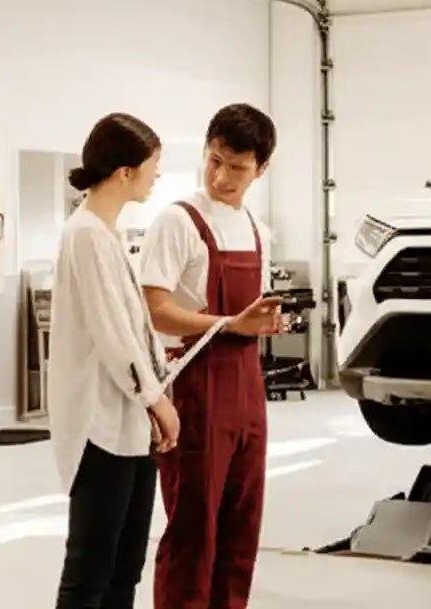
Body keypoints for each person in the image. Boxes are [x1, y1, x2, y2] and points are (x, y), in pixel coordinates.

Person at [140, 103, 286, 609]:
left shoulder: (258, 229)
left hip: (248, 387)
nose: (222, 176)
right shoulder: (178, 221)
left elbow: (249, 313)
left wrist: (264, 323)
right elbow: (155, 309)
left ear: (261, 169)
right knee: (193, 528)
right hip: (195, 387)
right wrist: (230, 324)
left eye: (237, 167)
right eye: (215, 160)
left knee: (242, 526)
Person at [47, 112, 181, 609]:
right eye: (153, 166)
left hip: (128, 424)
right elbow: (112, 336)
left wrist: (154, 389)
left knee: (125, 566)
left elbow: (131, 330)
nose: (157, 176)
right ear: (125, 172)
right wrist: (156, 397)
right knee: (91, 566)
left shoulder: (108, 234)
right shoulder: (84, 235)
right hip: (98, 426)